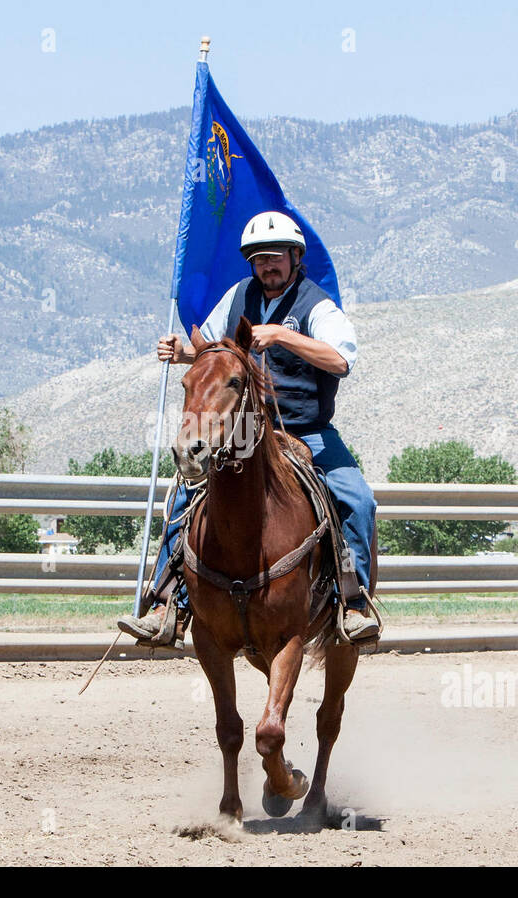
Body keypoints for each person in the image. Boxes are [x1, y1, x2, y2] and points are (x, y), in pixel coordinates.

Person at [118, 211, 379, 646]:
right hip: (245, 432)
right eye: (259, 259)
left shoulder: (317, 305)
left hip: (307, 429)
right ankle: (167, 603)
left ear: (296, 257)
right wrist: (180, 351)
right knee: (186, 492)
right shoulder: (239, 295)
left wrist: (281, 335)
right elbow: (215, 350)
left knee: (358, 498)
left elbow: (341, 360)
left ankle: (351, 604)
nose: (267, 266)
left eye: (276, 257)